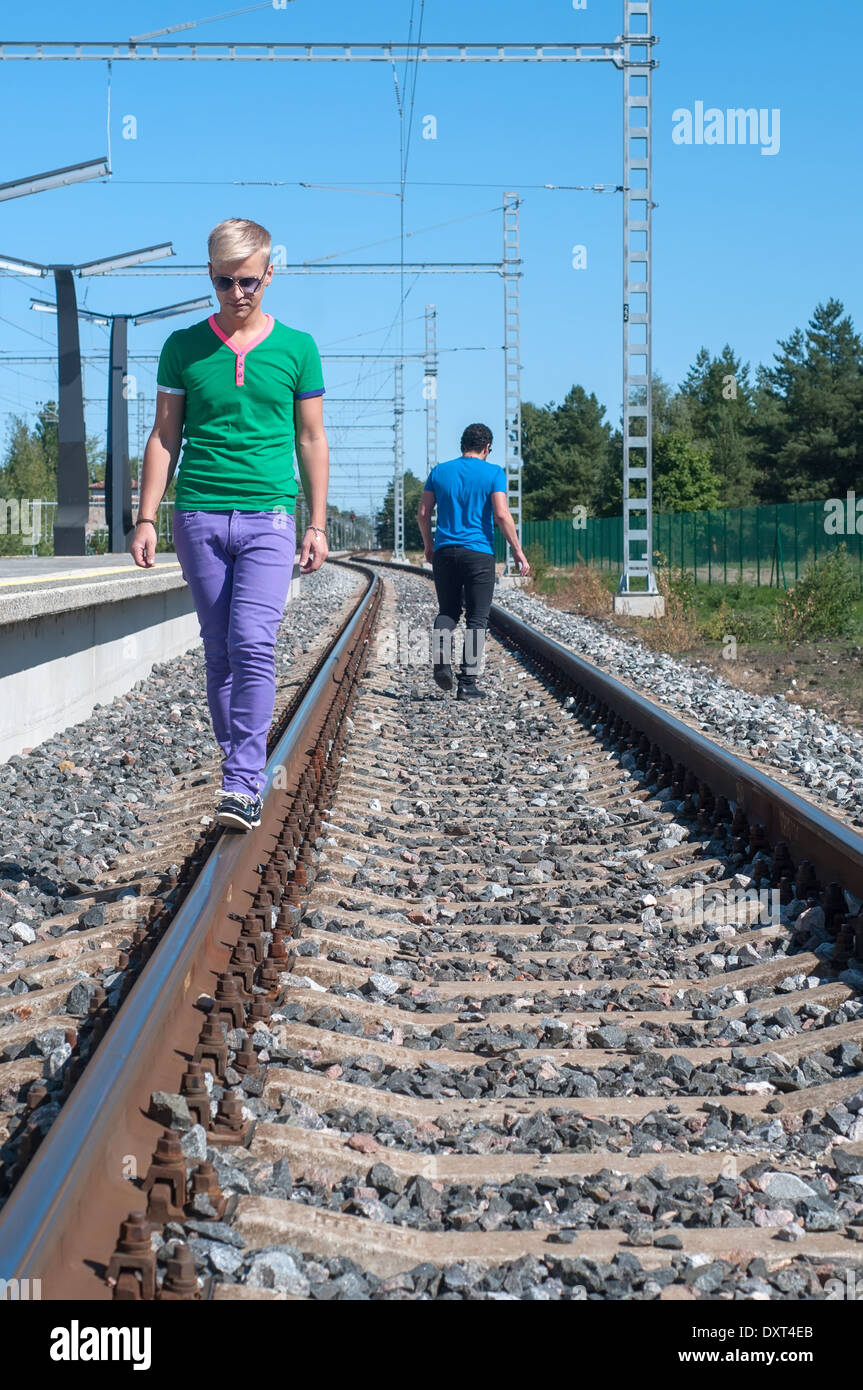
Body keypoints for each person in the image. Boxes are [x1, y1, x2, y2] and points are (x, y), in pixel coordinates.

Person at [129, 217, 329, 831]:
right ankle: (236, 764)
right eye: (223, 282)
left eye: (248, 281)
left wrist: (315, 524)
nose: (237, 293)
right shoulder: (183, 347)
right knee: (217, 650)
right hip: (197, 515)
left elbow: (312, 438)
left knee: (253, 643)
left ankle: (242, 783)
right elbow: (166, 436)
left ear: (269, 274)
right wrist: (145, 516)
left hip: (270, 513)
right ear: (210, 277)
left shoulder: (298, 348)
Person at [417, 422, 529, 700]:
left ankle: (442, 659)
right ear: (487, 448)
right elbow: (502, 515)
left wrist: (429, 544)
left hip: (444, 551)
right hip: (479, 553)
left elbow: (422, 512)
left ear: (462, 445)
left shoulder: (439, 471)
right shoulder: (494, 473)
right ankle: (467, 685)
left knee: (448, 611)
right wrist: (517, 550)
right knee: (477, 618)